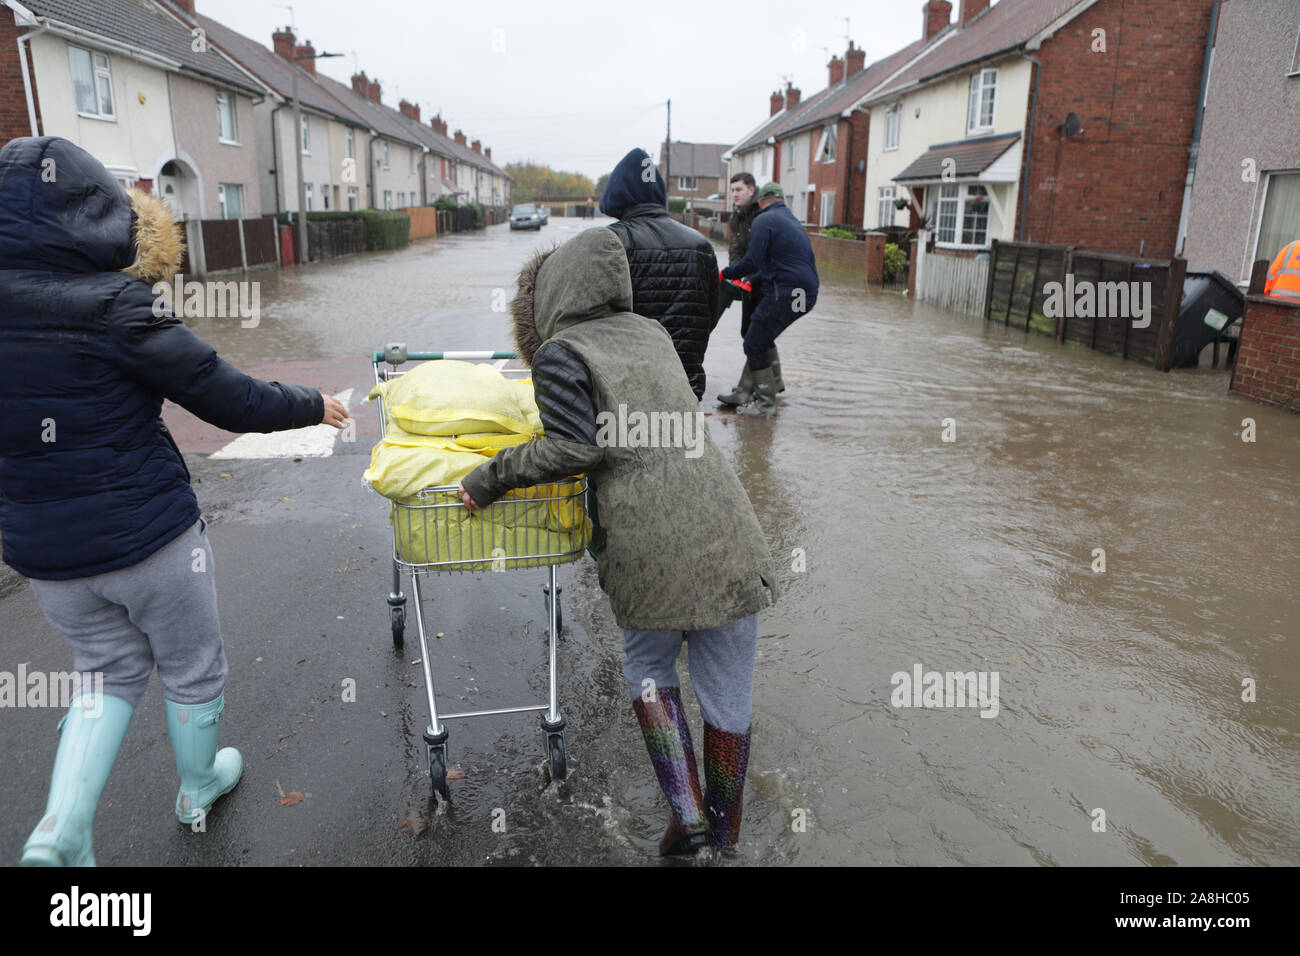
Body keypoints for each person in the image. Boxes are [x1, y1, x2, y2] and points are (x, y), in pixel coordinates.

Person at [0, 136, 349, 866]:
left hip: (45, 554)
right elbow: (229, 397)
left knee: (102, 670)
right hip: (150, 538)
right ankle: (197, 786)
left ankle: (61, 829)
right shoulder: (117, 306)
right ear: (99, 216)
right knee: (190, 665)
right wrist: (313, 404)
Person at [458, 228, 776, 856]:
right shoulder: (651, 333)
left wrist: (488, 476)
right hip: (732, 531)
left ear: (546, 296)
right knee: (728, 697)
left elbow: (575, 448)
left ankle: (686, 818)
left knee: (649, 667)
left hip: (650, 545)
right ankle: (726, 839)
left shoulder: (559, 353)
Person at [600, 147, 719, 401]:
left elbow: (588, 315)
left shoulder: (610, 241)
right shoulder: (701, 245)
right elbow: (710, 314)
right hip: (684, 384)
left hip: (624, 385)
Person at [720, 181, 819, 418]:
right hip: (806, 294)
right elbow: (779, 263)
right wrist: (752, 282)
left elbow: (752, 261)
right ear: (782, 200)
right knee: (761, 336)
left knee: (754, 341)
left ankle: (765, 405)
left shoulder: (763, 220)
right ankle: (751, 390)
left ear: (761, 202)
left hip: (786, 291)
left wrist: (724, 274)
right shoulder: (792, 222)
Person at [716, 172, 783, 406]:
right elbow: (736, 248)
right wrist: (735, 274)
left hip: (766, 280)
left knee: (755, 334)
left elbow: (764, 252)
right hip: (749, 280)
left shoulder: (761, 215)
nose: (734, 194)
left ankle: (755, 389)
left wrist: (751, 277)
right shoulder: (736, 217)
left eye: (739, 190)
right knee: (751, 332)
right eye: (732, 190)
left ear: (752, 190)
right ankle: (775, 380)